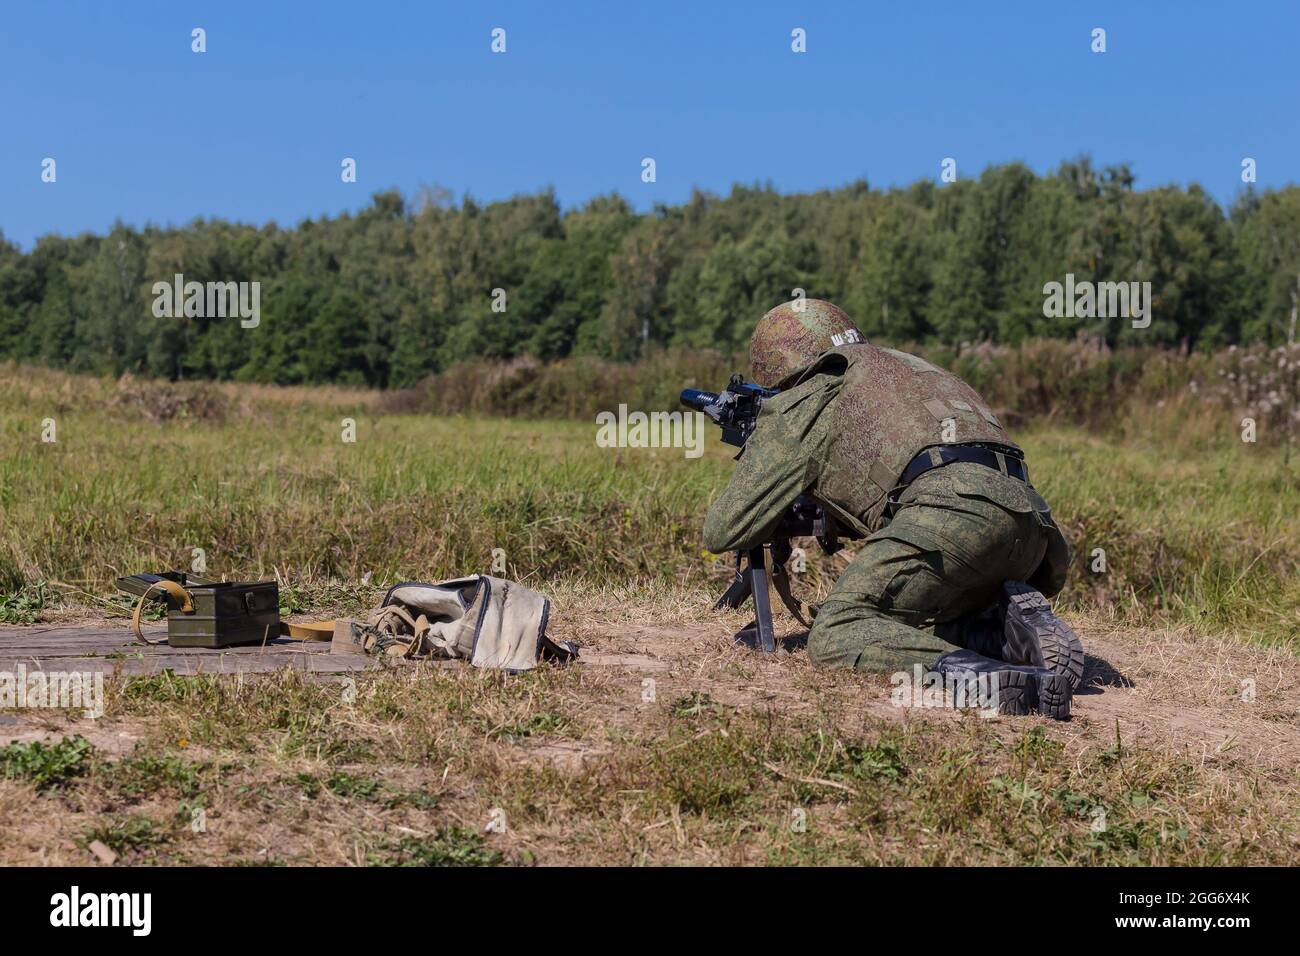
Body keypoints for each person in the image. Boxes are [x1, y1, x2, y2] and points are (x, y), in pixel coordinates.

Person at [702, 299, 1082, 718]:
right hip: (1033, 531)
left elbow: (724, 530)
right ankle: (1007, 635)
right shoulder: (910, 369)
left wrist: (765, 444)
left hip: (951, 518)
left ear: (781, 366)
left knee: (836, 629)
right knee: (897, 620)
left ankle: (974, 673)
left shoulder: (815, 392)